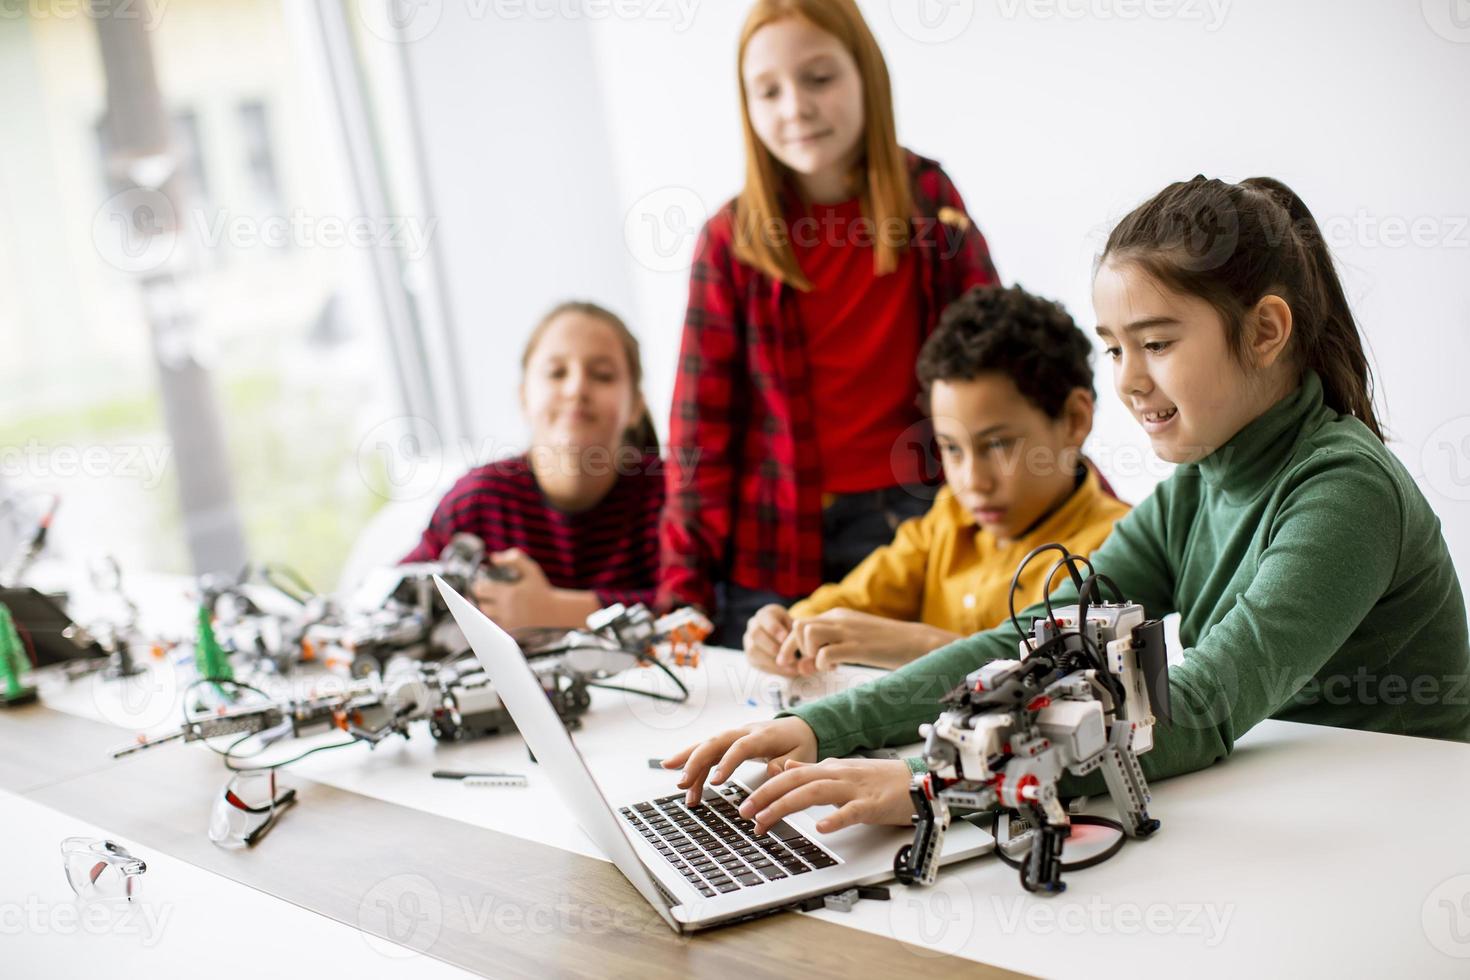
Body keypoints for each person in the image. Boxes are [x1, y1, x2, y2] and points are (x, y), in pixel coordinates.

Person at [664, 175, 1470, 833]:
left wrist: (932, 779)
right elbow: (1033, 643)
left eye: (1156, 343)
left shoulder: (1344, 492)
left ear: (1265, 333)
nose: (1127, 380)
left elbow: (1206, 706)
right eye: (1114, 348)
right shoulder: (1197, 486)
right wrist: (824, 728)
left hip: (1397, 832)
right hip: (1289, 810)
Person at [657, 0, 1000, 647]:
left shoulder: (929, 202)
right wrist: (683, 591)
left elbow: (1001, 363)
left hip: (918, 522)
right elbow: (699, 434)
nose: (796, 107)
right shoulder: (730, 243)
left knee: (920, 707)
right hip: (778, 545)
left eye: (819, 78)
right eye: (769, 90)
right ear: (747, 105)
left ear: (865, 74)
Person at [743, 284, 1129, 676]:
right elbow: (840, 606)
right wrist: (780, 629)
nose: (973, 482)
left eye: (997, 445)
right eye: (951, 448)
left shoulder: (1119, 546)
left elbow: (1072, 677)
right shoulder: (946, 521)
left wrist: (923, 646)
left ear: (1075, 420)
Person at [404, 301, 663, 630]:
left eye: (602, 376)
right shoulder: (477, 500)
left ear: (636, 405)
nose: (576, 388)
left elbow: (696, 608)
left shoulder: (669, 498)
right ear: (524, 396)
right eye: (556, 373)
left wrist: (552, 610)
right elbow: (396, 597)